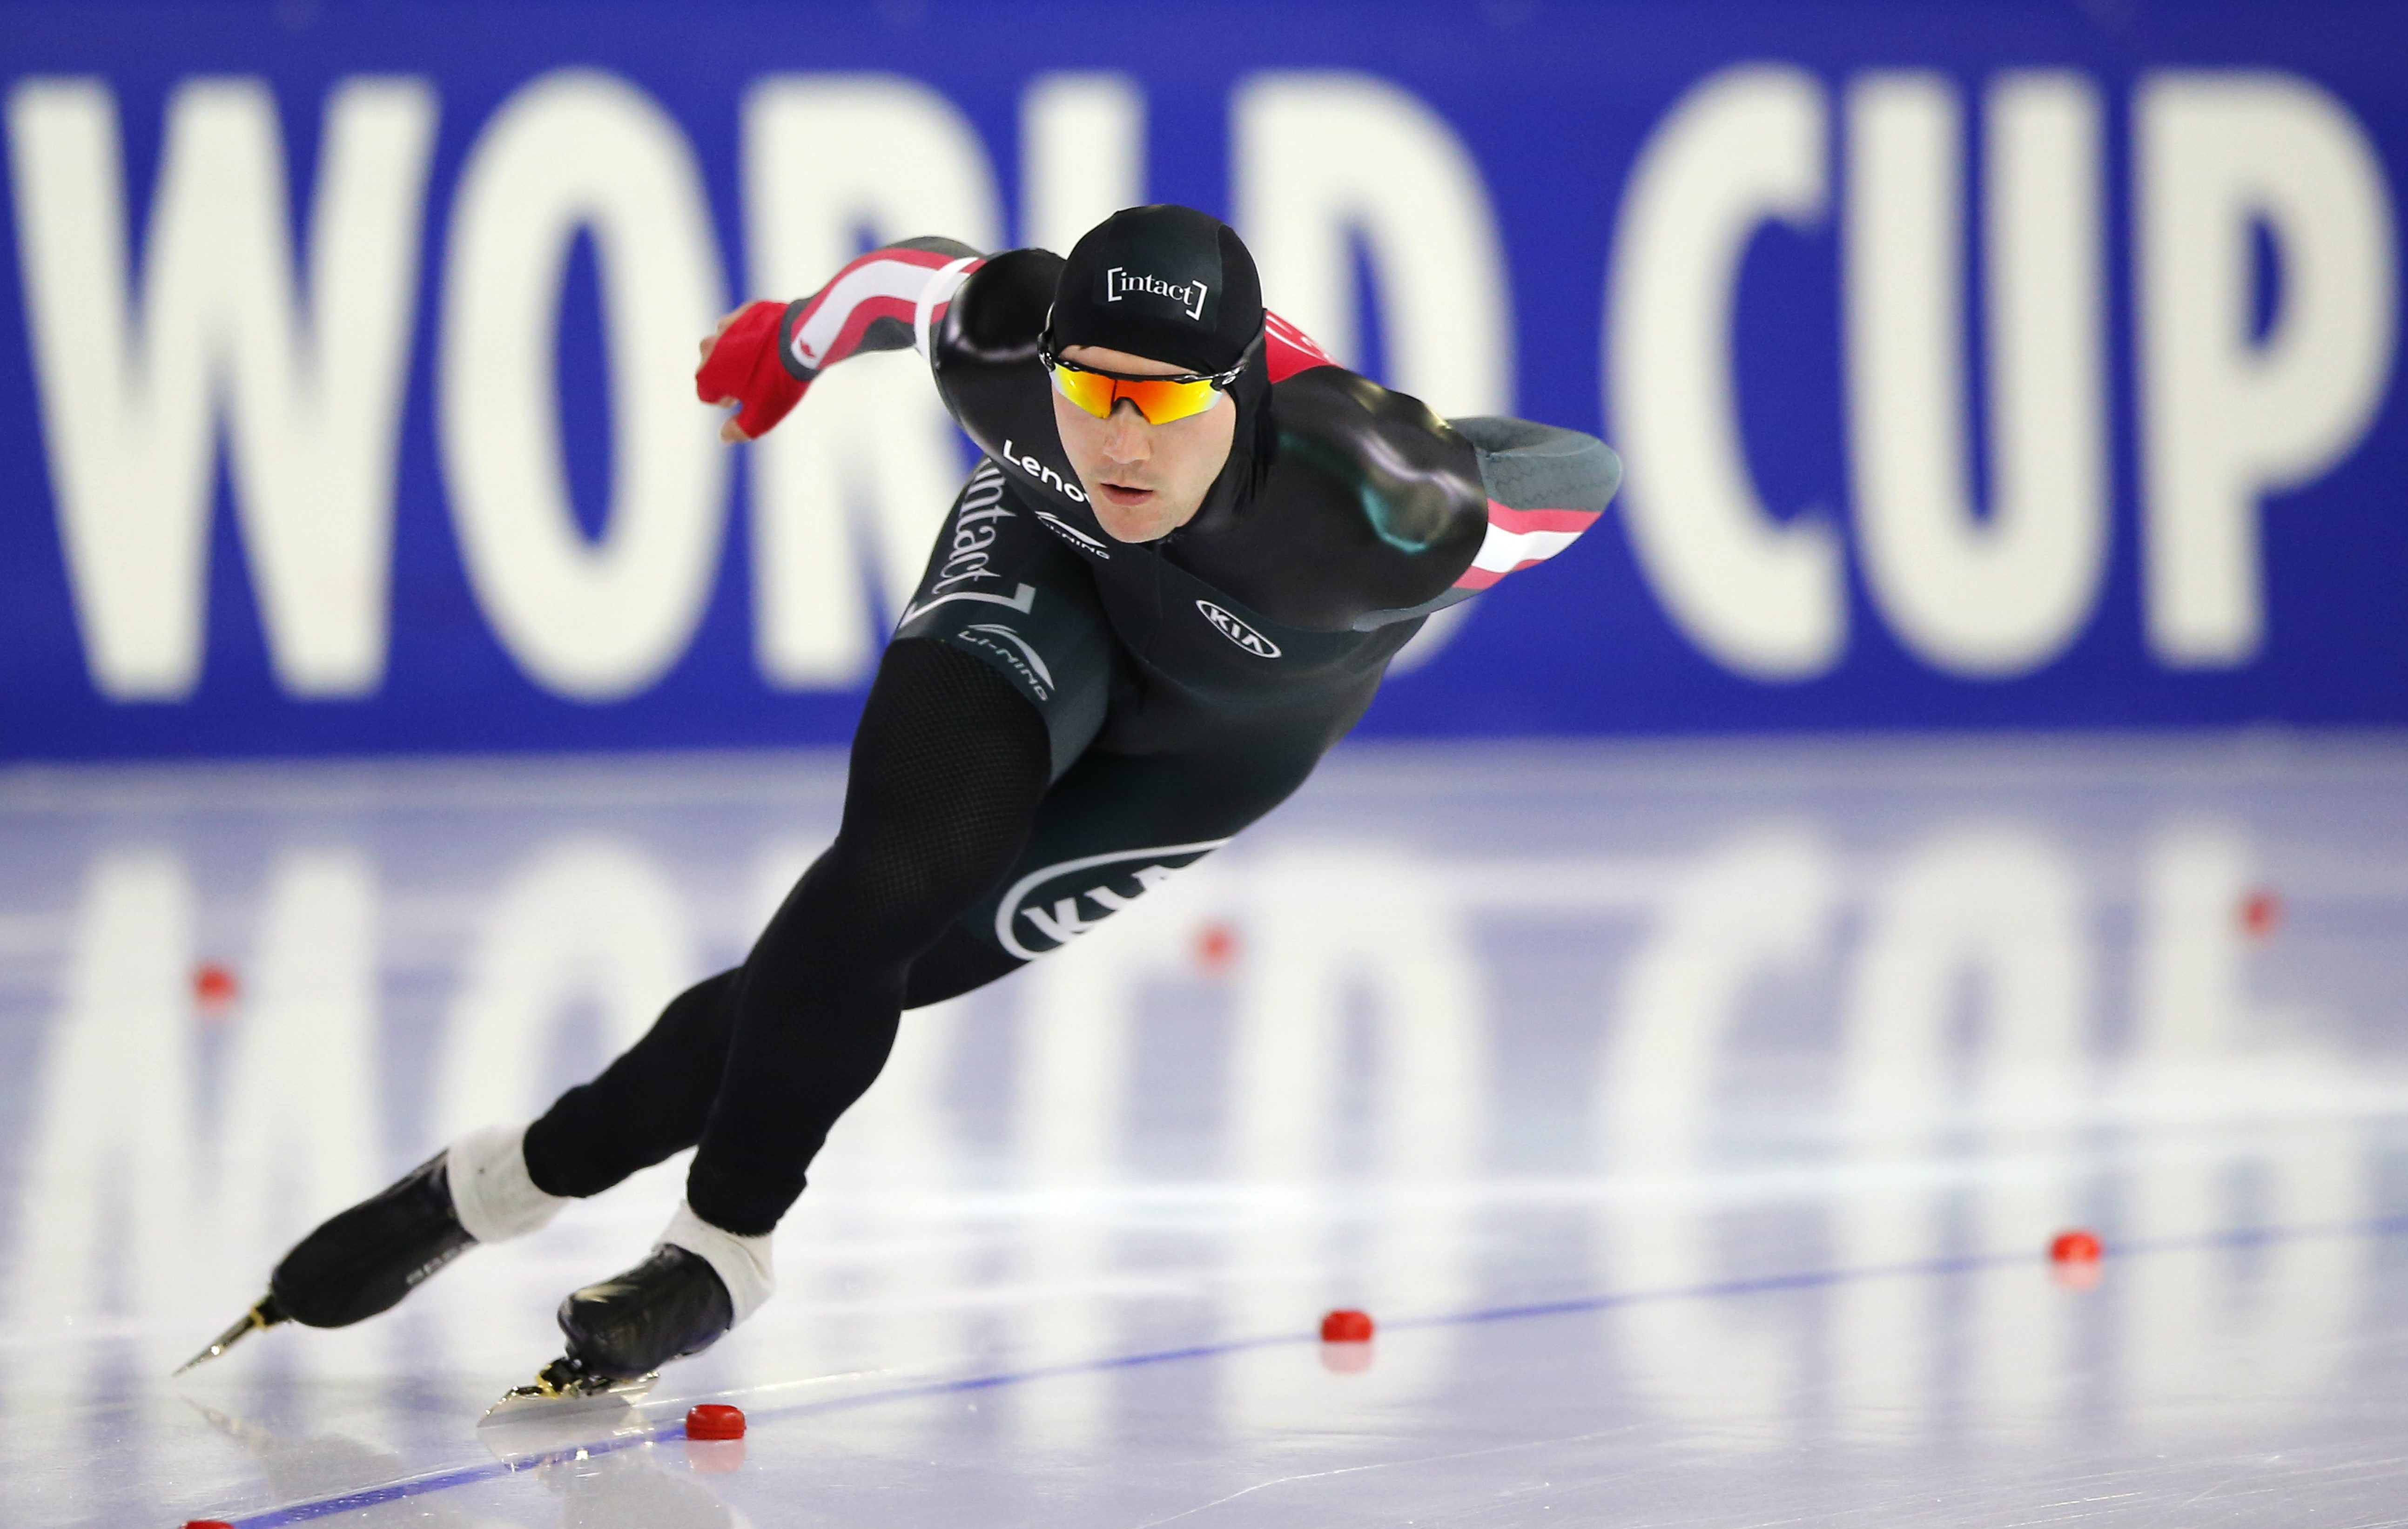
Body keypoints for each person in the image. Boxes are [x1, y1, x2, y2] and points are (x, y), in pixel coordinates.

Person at [183, 205, 1621, 1394]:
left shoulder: (1386, 513)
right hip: (1047, 587)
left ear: (1237, 396)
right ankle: (722, 1252)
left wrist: (1458, 453)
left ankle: (498, 1183)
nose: (1117, 441)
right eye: (1090, 392)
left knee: (853, 979)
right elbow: (897, 284)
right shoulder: (1006, 358)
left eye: (1162, 406)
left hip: (1220, 741)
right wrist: (784, 348)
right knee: (890, 879)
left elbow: (1582, 475)